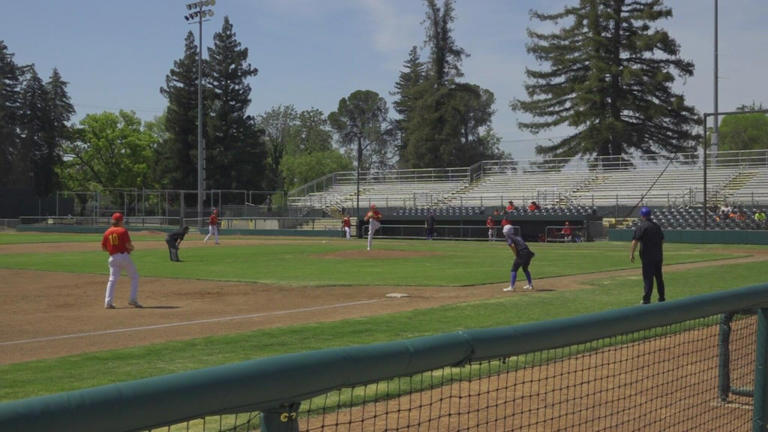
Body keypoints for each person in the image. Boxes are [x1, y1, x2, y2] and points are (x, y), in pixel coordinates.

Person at [101, 212, 141, 309]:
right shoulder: (123, 231)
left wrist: (112, 250)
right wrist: (132, 248)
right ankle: (133, 299)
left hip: (112, 258)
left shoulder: (107, 232)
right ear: (120, 221)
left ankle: (108, 302)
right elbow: (128, 245)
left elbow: (103, 248)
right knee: (134, 277)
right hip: (124, 256)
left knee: (112, 280)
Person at [630, 206, 665, 304]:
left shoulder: (642, 227)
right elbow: (662, 240)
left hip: (647, 257)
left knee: (648, 278)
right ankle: (661, 297)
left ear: (642, 215)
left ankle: (646, 299)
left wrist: (631, 254)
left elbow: (635, 241)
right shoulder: (656, 226)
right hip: (658, 256)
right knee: (659, 277)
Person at [502, 224, 535, 292]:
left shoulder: (508, 236)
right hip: (528, 252)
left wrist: (516, 254)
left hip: (522, 253)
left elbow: (512, 245)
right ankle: (530, 285)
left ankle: (512, 287)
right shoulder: (517, 236)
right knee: (525, 268)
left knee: (514, 269)